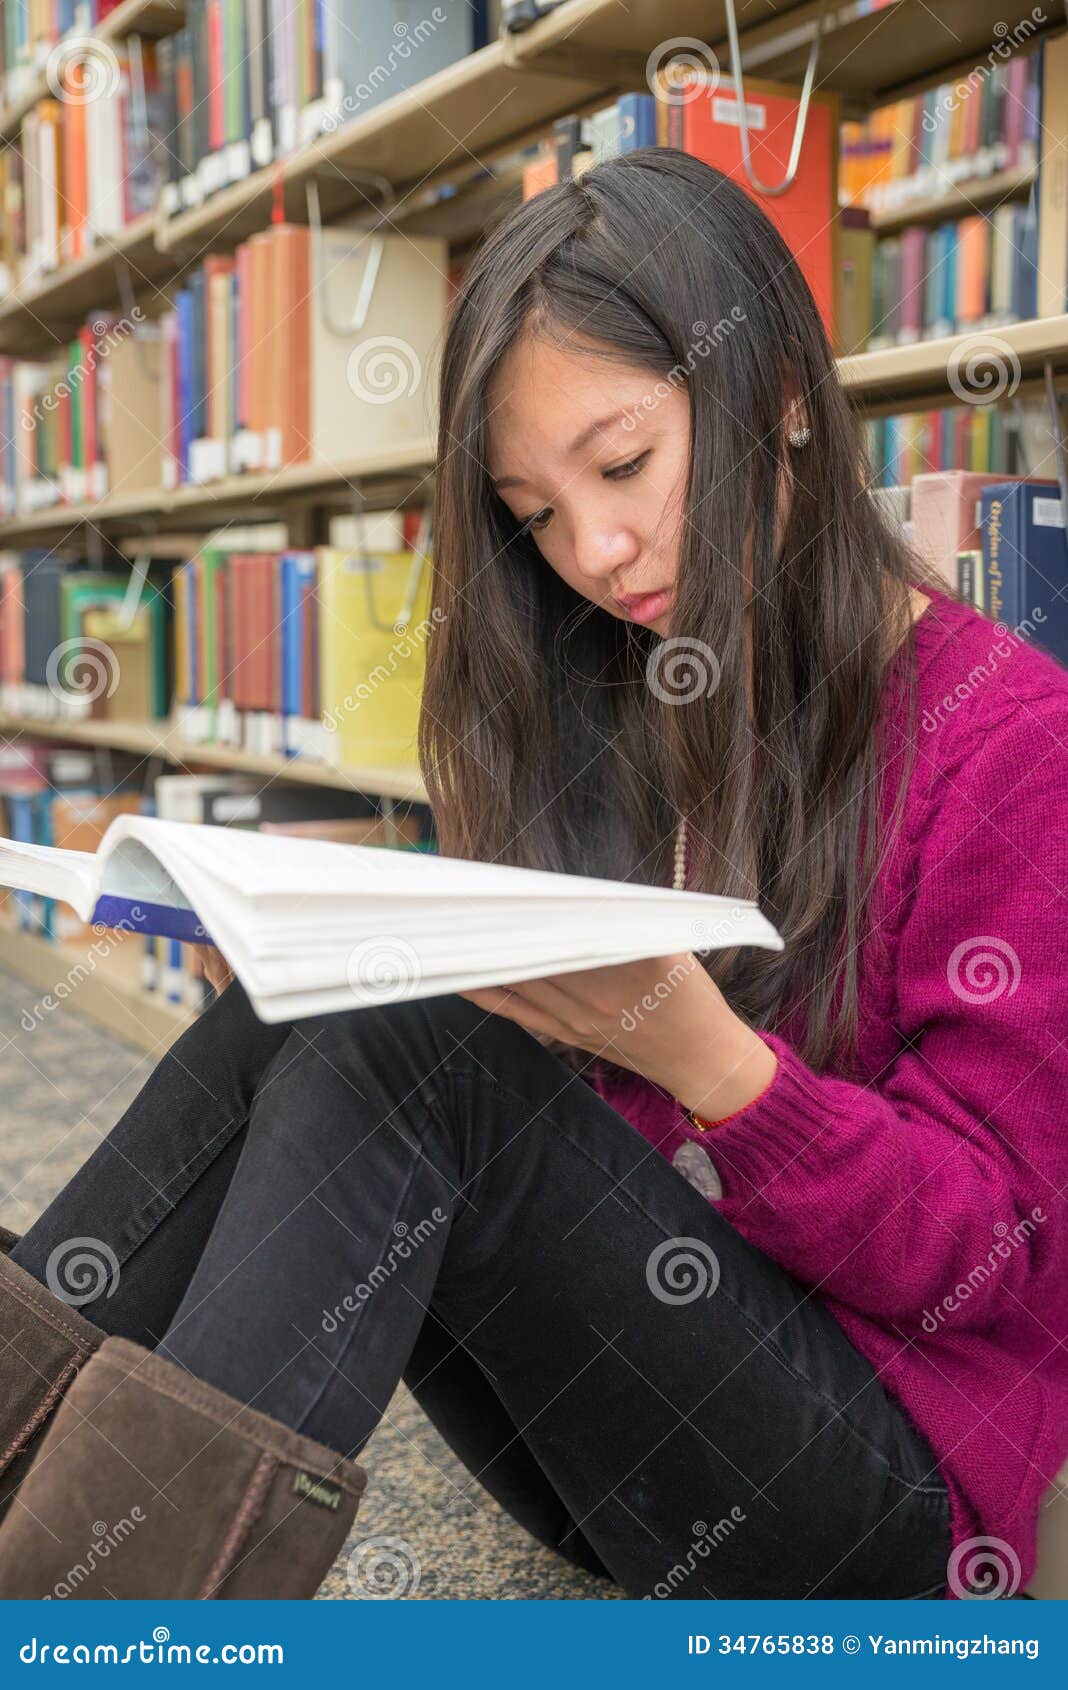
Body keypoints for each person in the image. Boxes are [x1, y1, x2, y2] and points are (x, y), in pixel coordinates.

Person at [0, 147, 1065, 1601]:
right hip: (639, 1449)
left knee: (405, 1043)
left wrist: (722, 1073)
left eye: (623, 464)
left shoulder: (1006, 738)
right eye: (535, 512)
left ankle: (104, 1620)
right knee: (326, 1006)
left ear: (789, 397)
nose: (598, 551)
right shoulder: (630, 691)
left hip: (885, 1505)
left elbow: (999, 1251)